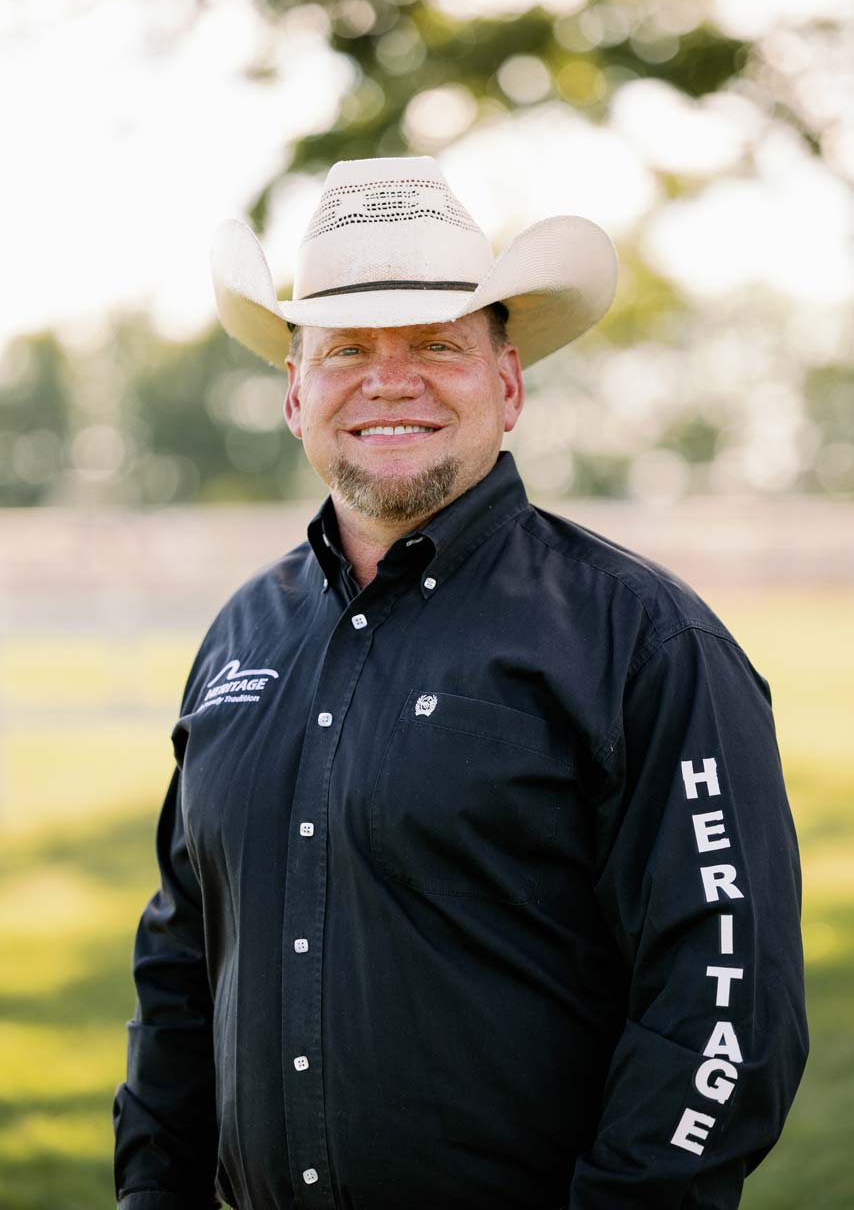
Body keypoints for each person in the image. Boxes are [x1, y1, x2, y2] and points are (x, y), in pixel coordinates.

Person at [113, 156, 808, 1210]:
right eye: (347, 349)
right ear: (295, 392)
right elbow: (180, 961)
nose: (389, 380)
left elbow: (721, 1003)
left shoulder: (643, 640)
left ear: (508, 384)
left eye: (436, 345)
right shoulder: (239, 637)